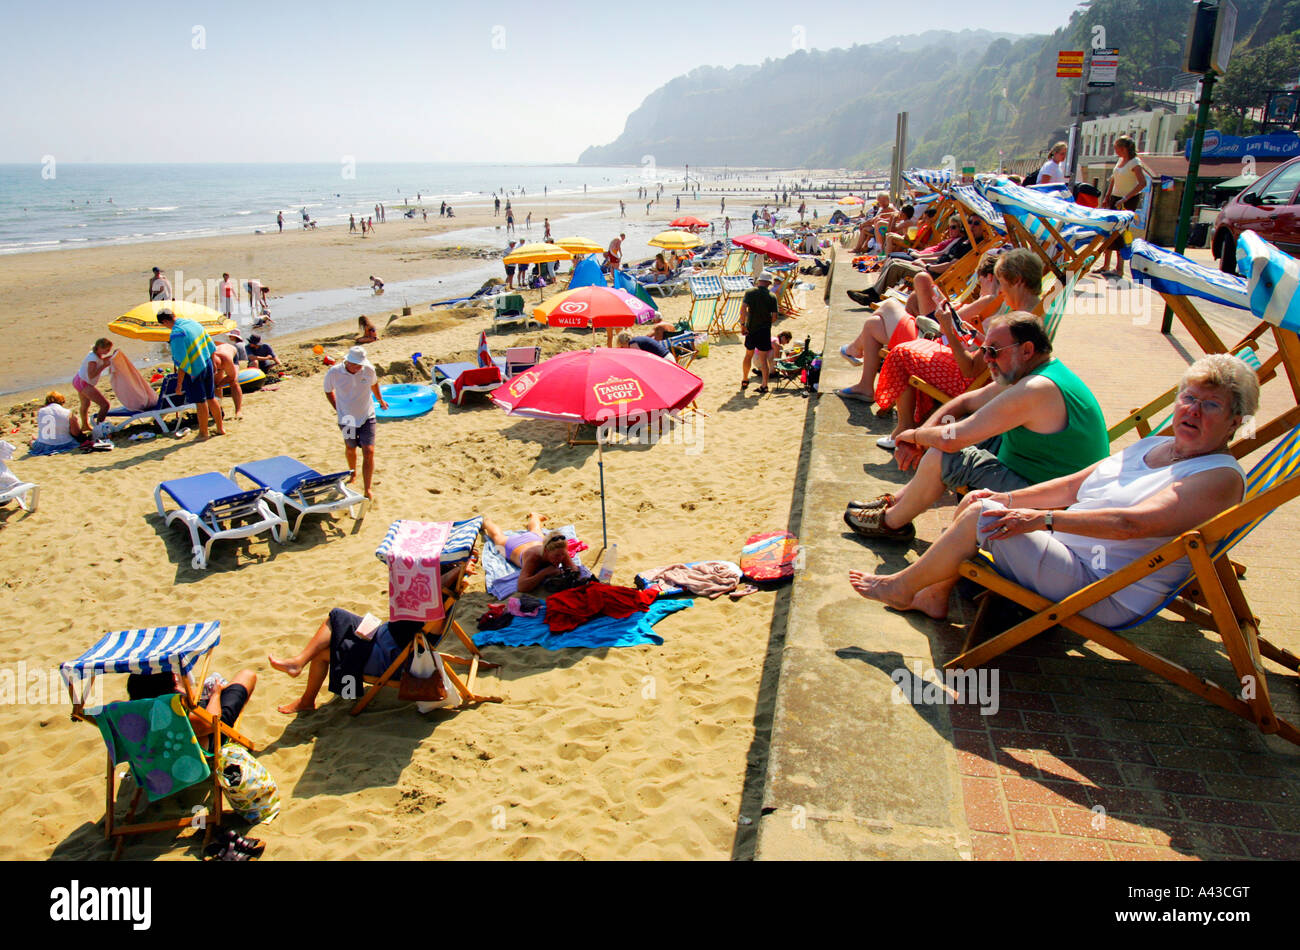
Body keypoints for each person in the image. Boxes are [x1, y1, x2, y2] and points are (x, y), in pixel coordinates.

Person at [849, 355, 1258, 626]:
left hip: (1104, 585)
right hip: (1070, 552)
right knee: (982, 501)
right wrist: (1008, 500)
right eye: (1189, 398)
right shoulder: (1158, 444)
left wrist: (1040, 519)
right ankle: (932, 594)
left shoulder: (1218, 476)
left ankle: (901, 588)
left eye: (1211, 406)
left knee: (981, 516)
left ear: (1235, 421)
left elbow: (1131, 523)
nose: (1192, 410)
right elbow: (1076, 483)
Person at [843, 311, 1109, 541]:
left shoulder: (1035, 389)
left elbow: (951, 440)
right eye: (984, 350)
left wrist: (914, 435)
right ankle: (900, 501)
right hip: (1042, 475)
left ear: (1027, 350)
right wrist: (920, 438)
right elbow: (966, 402)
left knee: (945, 455)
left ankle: (891, 523)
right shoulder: (1035, 374)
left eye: (993, 351)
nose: (987, 358)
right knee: (951, 437)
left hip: (1050, 499)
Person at [873, 250, 1043, 448]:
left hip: (975, 383)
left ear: (1019, 282)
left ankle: (904, 428)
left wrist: (948, 330)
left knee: (902, 353)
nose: (1001, 293)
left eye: (1003, 284)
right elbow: (994, 353)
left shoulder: (1015, 324)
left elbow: (969, 369)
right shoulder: (1037, 314)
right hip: (992, 377)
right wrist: (976, 335)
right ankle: (916, 420)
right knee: (920, 347)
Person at [268, 608, 424, 715]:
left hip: (387, 656)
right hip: (383, 637)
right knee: (337, 616)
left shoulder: (432, 604)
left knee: (321, 652)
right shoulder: (437, 597)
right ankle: (298, 663)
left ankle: (306, 698)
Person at [323, 346, 386, 500]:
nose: (359, 367)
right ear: (348, 362)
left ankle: (368, 488)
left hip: (367, 416)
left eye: (361, 365)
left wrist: (380, 400)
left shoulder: (368, 370)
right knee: (351, 448)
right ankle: (353, 473)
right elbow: (328, 390)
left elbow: (374, 384)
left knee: (369, 451)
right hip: (347, 419)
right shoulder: (334, 373)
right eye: (356, 365)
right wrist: (337, 408)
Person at [157, 308, 225, 439]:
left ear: (165, 321)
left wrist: (179, 384)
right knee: (211, 397)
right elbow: (210, 345)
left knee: (201, 402)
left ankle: (203, 433)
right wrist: (214, 363)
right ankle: (220, 428)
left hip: (195, 370)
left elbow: (182, 363)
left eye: (163, 324)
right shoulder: (193, 323)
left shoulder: (177, 333)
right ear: (174, 315)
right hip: (207, 362)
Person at [482, 514, 580, 594]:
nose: (560, 559)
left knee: (536, 530)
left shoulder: (559, 549)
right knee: (497, 537)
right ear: (546, 551)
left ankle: (535, 516)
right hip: (513, 545)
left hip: (535, 539)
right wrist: (544, 573)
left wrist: (568, 571)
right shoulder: (533, 558)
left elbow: (573, 569)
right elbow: (521, 586)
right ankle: (487, 522)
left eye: (562, 555)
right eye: (557, 556)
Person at [1099, 135, 1149, 279]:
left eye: (1117, 148)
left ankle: (1119, 268)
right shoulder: (1120, 161)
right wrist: (1107, 196)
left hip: (1127, 200)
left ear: (1124, 148)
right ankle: (1105, 264)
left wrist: (1125, 198)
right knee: (1109, 228)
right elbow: (1114, 179)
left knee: (1120, 231)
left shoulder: (1135, 163)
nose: (1116, 151)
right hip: (1115, 198)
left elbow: (1142, 183)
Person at [740, 271, 779, 394]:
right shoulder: (772, 296)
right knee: (763, 359)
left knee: (748, 355)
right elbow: (774, 317)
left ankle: (745, 379)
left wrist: (742, 325)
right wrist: (766, 323)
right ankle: (764, 385)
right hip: (764, 331)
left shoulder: (750, 292)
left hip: (751, 329)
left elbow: (743, 309)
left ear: (759, 281)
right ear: (768, 283)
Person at [72, 337, 114, 432]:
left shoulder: (96, 355)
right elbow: (92, 375)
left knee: (85, 404)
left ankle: (85, 425)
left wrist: (113, 356)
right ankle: (100, 427)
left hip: (79, 380)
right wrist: (104, 366)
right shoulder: (93, 359)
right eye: (107, 350)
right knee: (105, 405)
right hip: (84, 383)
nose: (108, 351)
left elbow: (102, 360)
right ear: (99, 348)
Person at [212, 339, 245, 419]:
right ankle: (219, 409)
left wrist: (218, 385)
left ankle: (238, 411)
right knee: (216, 383)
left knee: (234, 382)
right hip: (217, 357)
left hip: (232, 355)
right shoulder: (209, 359)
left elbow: (231, 377)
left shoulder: (226, 359)